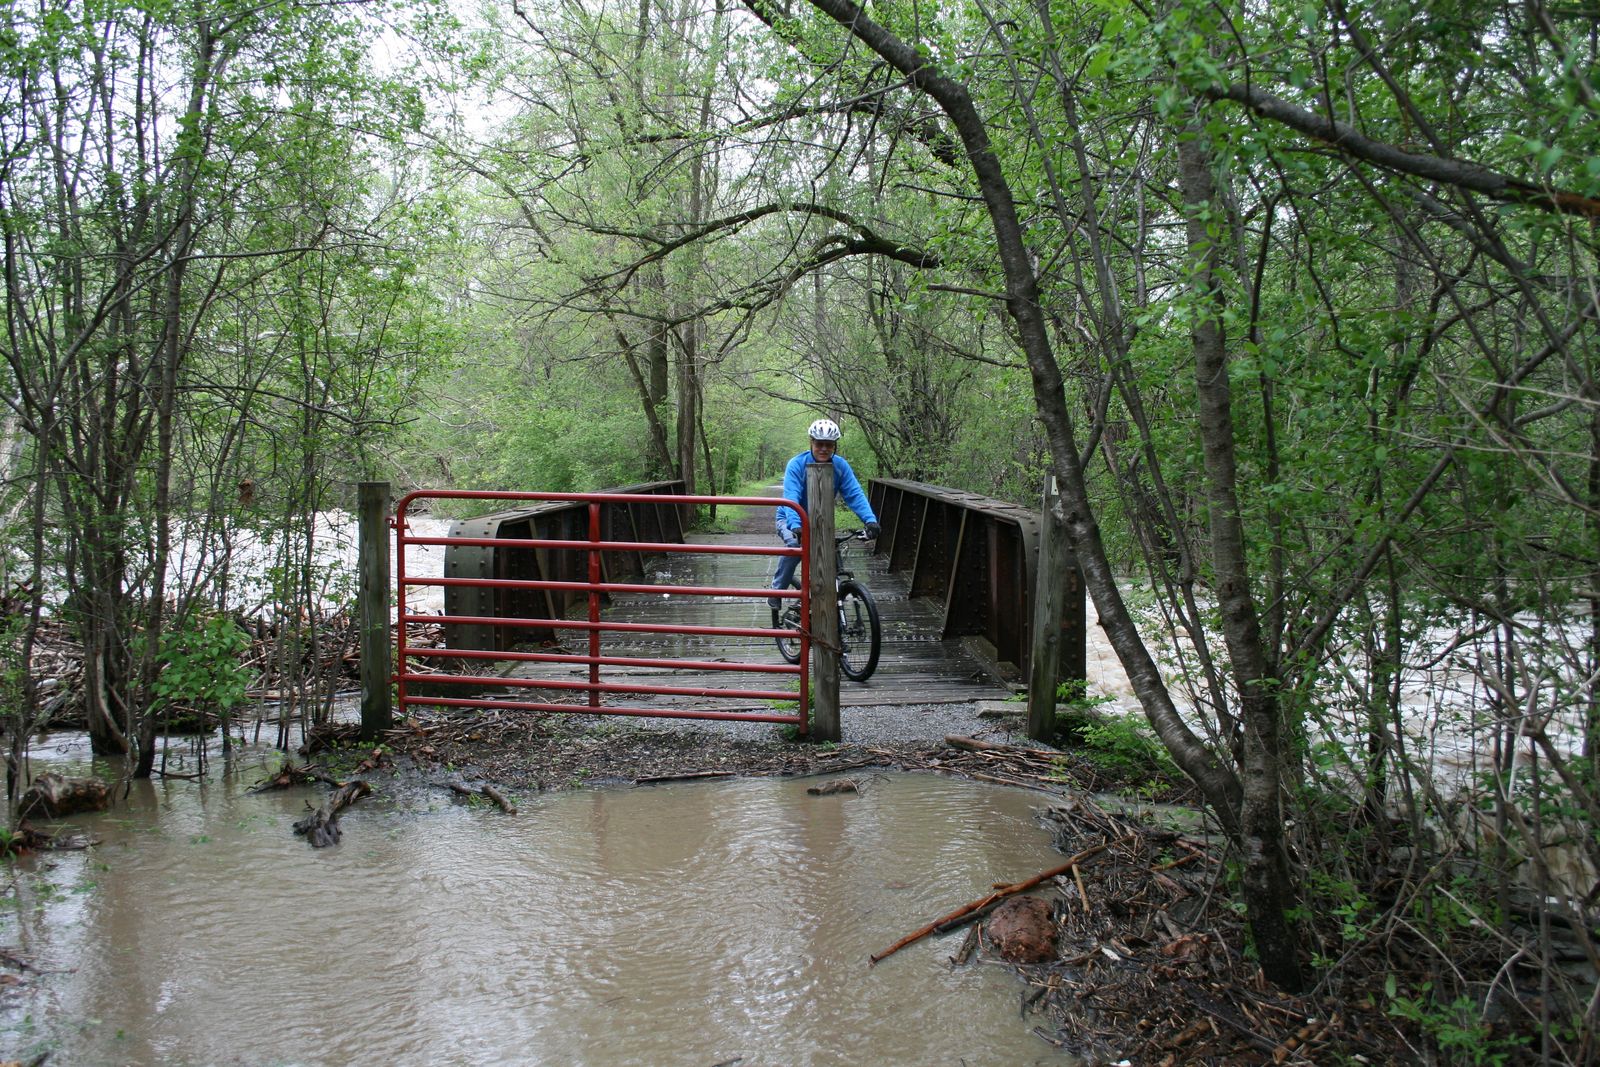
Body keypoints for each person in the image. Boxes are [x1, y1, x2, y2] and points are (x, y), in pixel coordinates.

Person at [769, 418, 881, 623]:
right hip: (789, 517)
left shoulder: (840, 466)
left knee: (831, 555)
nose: (823, 448)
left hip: (821, 521)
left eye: (828, 445)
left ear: (834, 446)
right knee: (795, 545)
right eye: (819, 444)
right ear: (811, 442)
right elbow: (791, 498)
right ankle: (776, 591)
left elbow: (854, 494)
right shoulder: (796, 464)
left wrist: (870, 521)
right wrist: (796, 526)